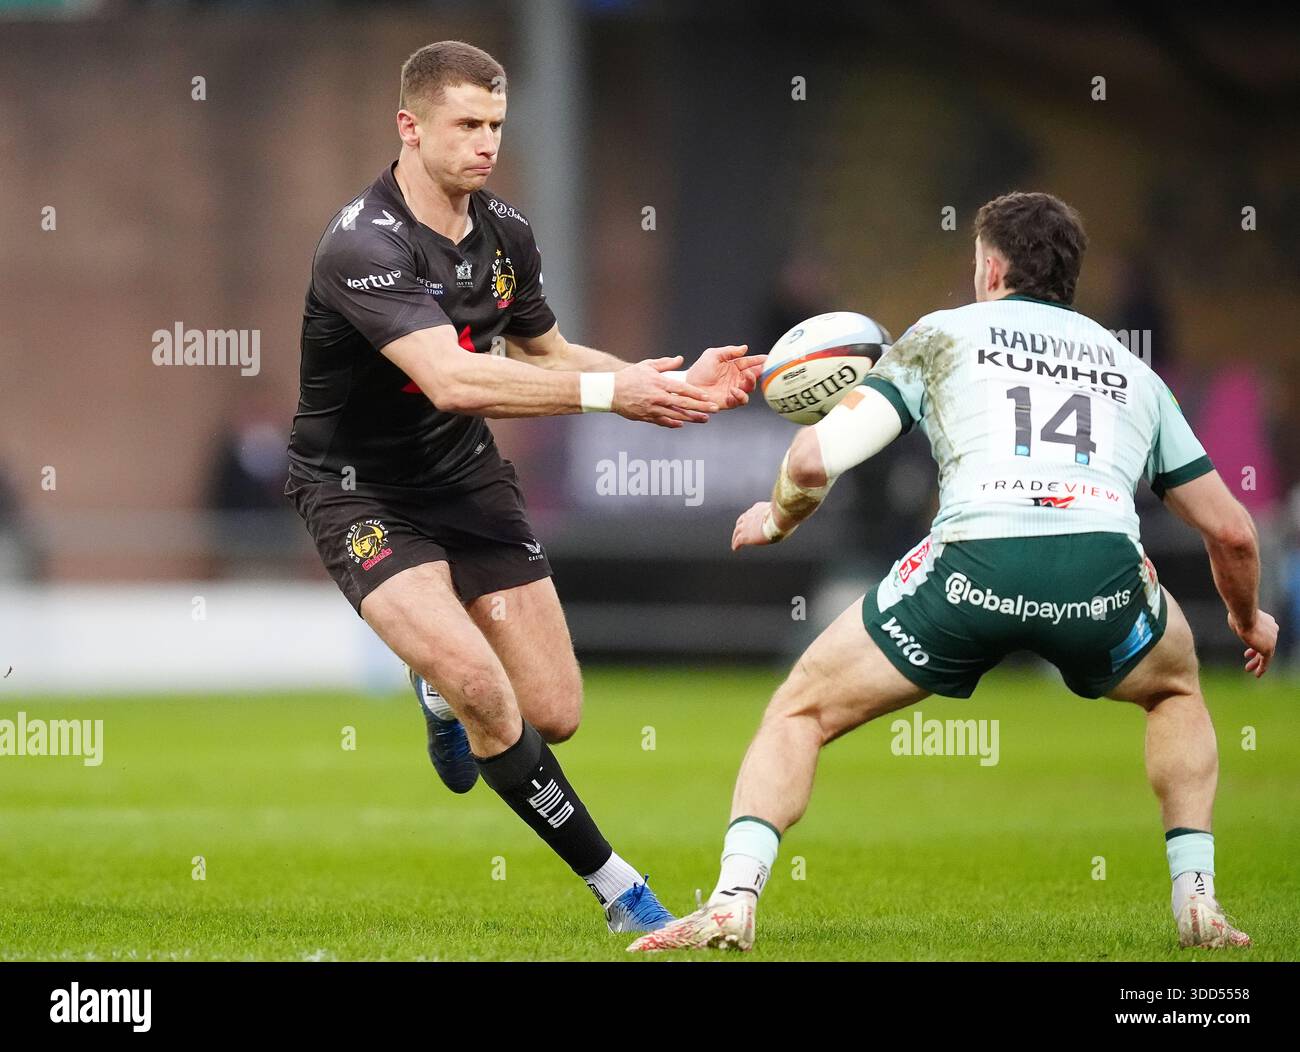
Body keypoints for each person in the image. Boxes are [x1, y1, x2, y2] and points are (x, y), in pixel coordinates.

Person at [629, 191, 1278, 953]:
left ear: (991, 268)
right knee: (1175, 691)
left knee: (799, 711)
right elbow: (1232, 533)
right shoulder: (1134, 372)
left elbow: (809, 461)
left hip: (971, 569)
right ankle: (1197, 901)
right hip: (1100, 576)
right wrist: (1247, 619)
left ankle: (732, 902)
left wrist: (776, 520)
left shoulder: (941, 335)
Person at [284, 40, 763, 935]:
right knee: (480, 681)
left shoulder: (507, 232)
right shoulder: (362, 243)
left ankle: (437, 690)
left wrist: (662, 382)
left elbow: (547, 355)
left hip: (465, 479)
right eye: (466, 123)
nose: (486, 143)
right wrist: (610, 397)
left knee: (554, 712)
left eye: (497, 125)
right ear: (409, 126)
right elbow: (452, 379)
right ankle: (622, 891)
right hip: (358, 492)